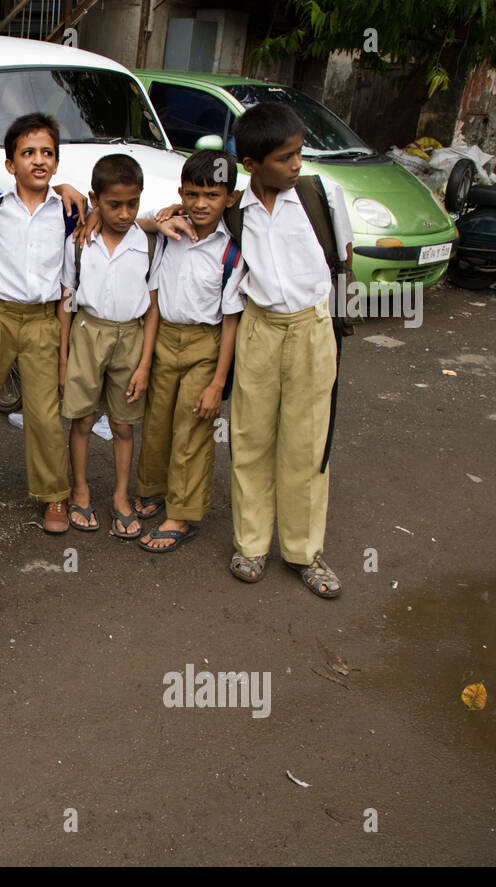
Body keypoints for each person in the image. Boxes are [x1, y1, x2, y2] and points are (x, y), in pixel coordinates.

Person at [221, 103, 353, 597]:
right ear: (252, 163)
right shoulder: (234, 210)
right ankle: (251, 545)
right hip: (258, 327)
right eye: (283, 158)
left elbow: (344, 260)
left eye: (298, 154)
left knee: (306, 444)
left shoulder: (321, 198)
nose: (295, 165)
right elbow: (185, 215)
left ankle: (304, 552)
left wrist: (335, 328)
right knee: (251, 439)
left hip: (313, 329)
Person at [0, 112, 76, 533]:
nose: (38, 160)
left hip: (44, 319)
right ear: (11, 164)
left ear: (57, 163)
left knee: (45, 413)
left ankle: (53, 496)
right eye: (28, 153)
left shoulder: (69, 211)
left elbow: (121, 219)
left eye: (47, 153)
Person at [134, 149, 244, 553]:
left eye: (212, 195)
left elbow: (231, 319)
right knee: (158, 422)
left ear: (229, 199)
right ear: (181, 192)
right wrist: (145, 363)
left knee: (192, 430)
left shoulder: (231, 250)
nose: (201, 204)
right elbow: (155, 300)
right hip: (163, 340)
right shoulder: (171, 233)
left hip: (205, 345)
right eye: (194, 194)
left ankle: (182, 513)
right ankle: (153, 490)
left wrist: (218, 382)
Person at [60, 153, 160, 538]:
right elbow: (67, 301)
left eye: (132, 204)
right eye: (113, 204)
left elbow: (152, 309)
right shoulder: (79, 242)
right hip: (88, 332)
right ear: (95, 199)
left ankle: (121, 495)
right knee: (82, 419)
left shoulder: (149, 242)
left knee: (123, 424)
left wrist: (145, 363)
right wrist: (63, 355)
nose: (123, 213)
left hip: (131, 337)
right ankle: (80, 490)